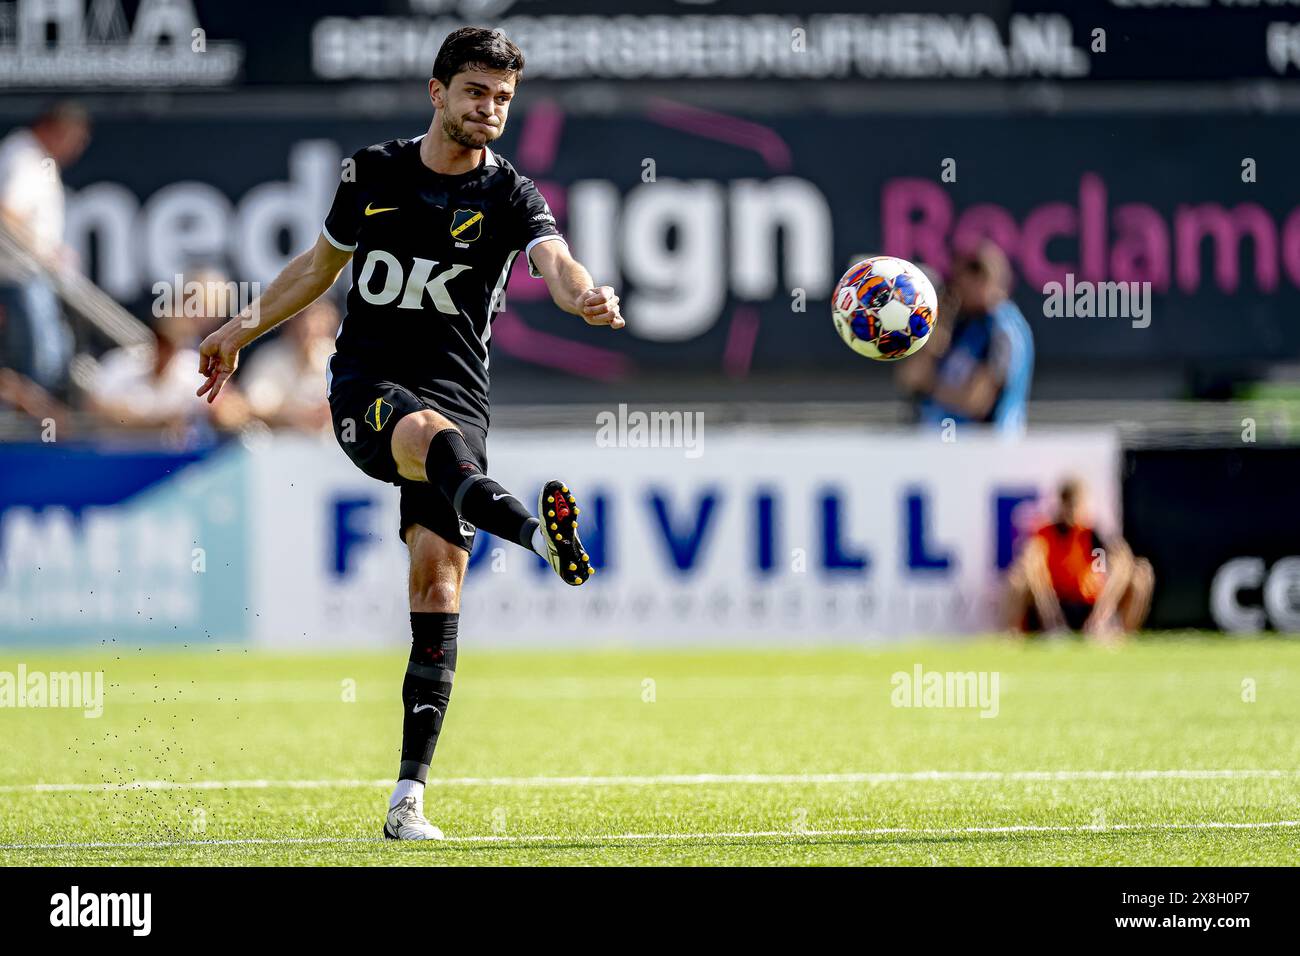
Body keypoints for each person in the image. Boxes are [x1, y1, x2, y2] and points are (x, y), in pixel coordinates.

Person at [195, 28, 624, 841]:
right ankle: (538, 539)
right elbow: (319, 269)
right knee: (425, 433)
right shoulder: (374, 171)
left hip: (462, 400)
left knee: (437, 585)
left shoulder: (511, 194)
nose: (489, 109)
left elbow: (557, 264)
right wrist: (241, 327)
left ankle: (407, 802)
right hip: (367, 395)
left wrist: (586, 296)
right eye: (475, 92)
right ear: (437, 92)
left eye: (502, 97)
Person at [896, 242, 1033, 434]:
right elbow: (910, 377)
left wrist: (930, 386)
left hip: (983, 448)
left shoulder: (1004, 329)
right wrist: (935, 326)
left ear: (981, 279)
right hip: (939, 441)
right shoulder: (962, 322)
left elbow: (977, 401)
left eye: (960, 280)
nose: (956, 288)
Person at [0, 102, 90, 392]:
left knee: (52, 354)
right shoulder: (26, 157)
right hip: (19, 275)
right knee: (42, 360)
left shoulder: (30, 155)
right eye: (74, 140)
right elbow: (7, 213)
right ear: (56, 130)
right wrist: (44, 251)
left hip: (27, 274)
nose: (76, 150)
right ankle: (30, 430)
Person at [1004, 477, 1154, 643]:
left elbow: (1121, 563)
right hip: (1055, 605)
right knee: (1018, 578)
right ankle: (1014, 638)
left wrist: (1102, 611)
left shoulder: (1091, 534)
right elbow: (1031, 564)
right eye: (1067, 504)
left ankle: (1122, 638)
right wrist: (1050, 614)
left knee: (1140, 574)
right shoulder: (1046, 533)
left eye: (1075, 504)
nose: (1071, 511)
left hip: (1090, 607)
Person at [240, 299, 339, 431]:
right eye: (301, 316)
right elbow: (250, 406)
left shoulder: (344, 359)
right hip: (279, 445)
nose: (308, 325)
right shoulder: (269, 357)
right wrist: (293, 416)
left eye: (316, 316)